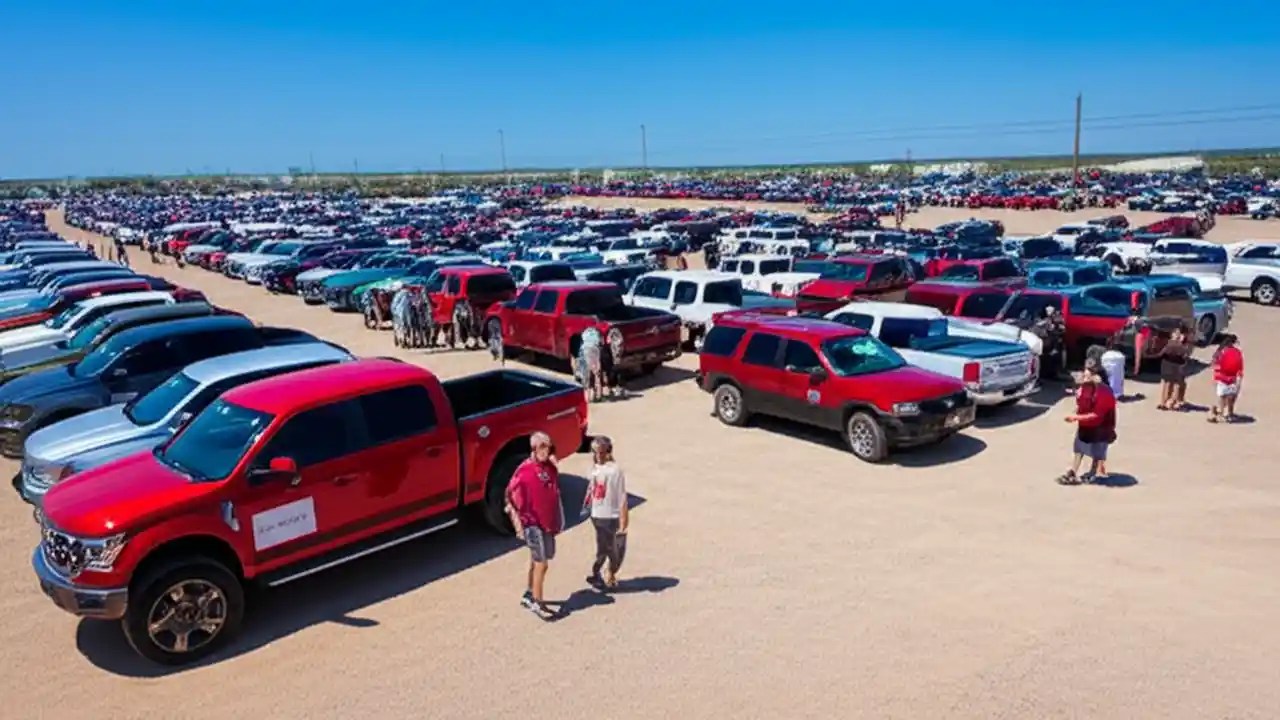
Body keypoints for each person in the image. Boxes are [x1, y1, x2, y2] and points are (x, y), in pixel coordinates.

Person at [505, 432, 564, 618]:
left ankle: (530, 593)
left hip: (546, 522)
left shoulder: (550, 468)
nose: (547, 451)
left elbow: (554, 492)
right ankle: (538, 603)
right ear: (534, 449)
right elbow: (510, 495)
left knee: (537, 559)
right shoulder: (524, 471)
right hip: (531, 523)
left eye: (549, 447)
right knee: (542, 563)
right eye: (543, 447)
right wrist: (518, 521)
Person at [1058, 359, 1117, 485]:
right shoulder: (1084, 388)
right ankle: (1073, 471)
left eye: (1087, 375)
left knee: (1097, 449)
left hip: (1101, 426)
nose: (1083, 377)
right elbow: (1081, 404)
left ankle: (1093, 472)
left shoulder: (1104, 392)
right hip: (1085, 425)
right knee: (1079, 448)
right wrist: (1076, 412)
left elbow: (1097, 415)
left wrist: (1076, 418)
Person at [582, 436, 628, 590]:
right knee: (604, 546)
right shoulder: (594, 469)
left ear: (608, 452)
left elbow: (622, 496)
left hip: (610, 514)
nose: (597, 456)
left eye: (601, 452)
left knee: (609, 548)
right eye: (595, 452)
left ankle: (607, 572)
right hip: (596, 514)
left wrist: (623, 519)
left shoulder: (615, 471)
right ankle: (600, 573)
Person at [1209, 334, 1244, 423]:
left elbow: (1215, 364)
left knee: (1222, 396)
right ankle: (1227, 413)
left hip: (1222, 377)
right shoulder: (1235, 352)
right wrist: (1239, 377)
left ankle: (1221, 412)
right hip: (1231, 377)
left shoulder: (1221, 351)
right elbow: (1239, 366)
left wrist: (1216, 375)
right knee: (1230, 396)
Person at [1157, 324, 1191, 410]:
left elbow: (1161, 353)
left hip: (1167, 364)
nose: (1178, 335)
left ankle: (1165, 402)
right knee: (1176, 384)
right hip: (1177, 365)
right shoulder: (1177, 344)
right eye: (1177, 333)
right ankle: (1172, 402)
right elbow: (1185, 354)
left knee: (1168, 383)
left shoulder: (1170, 343)